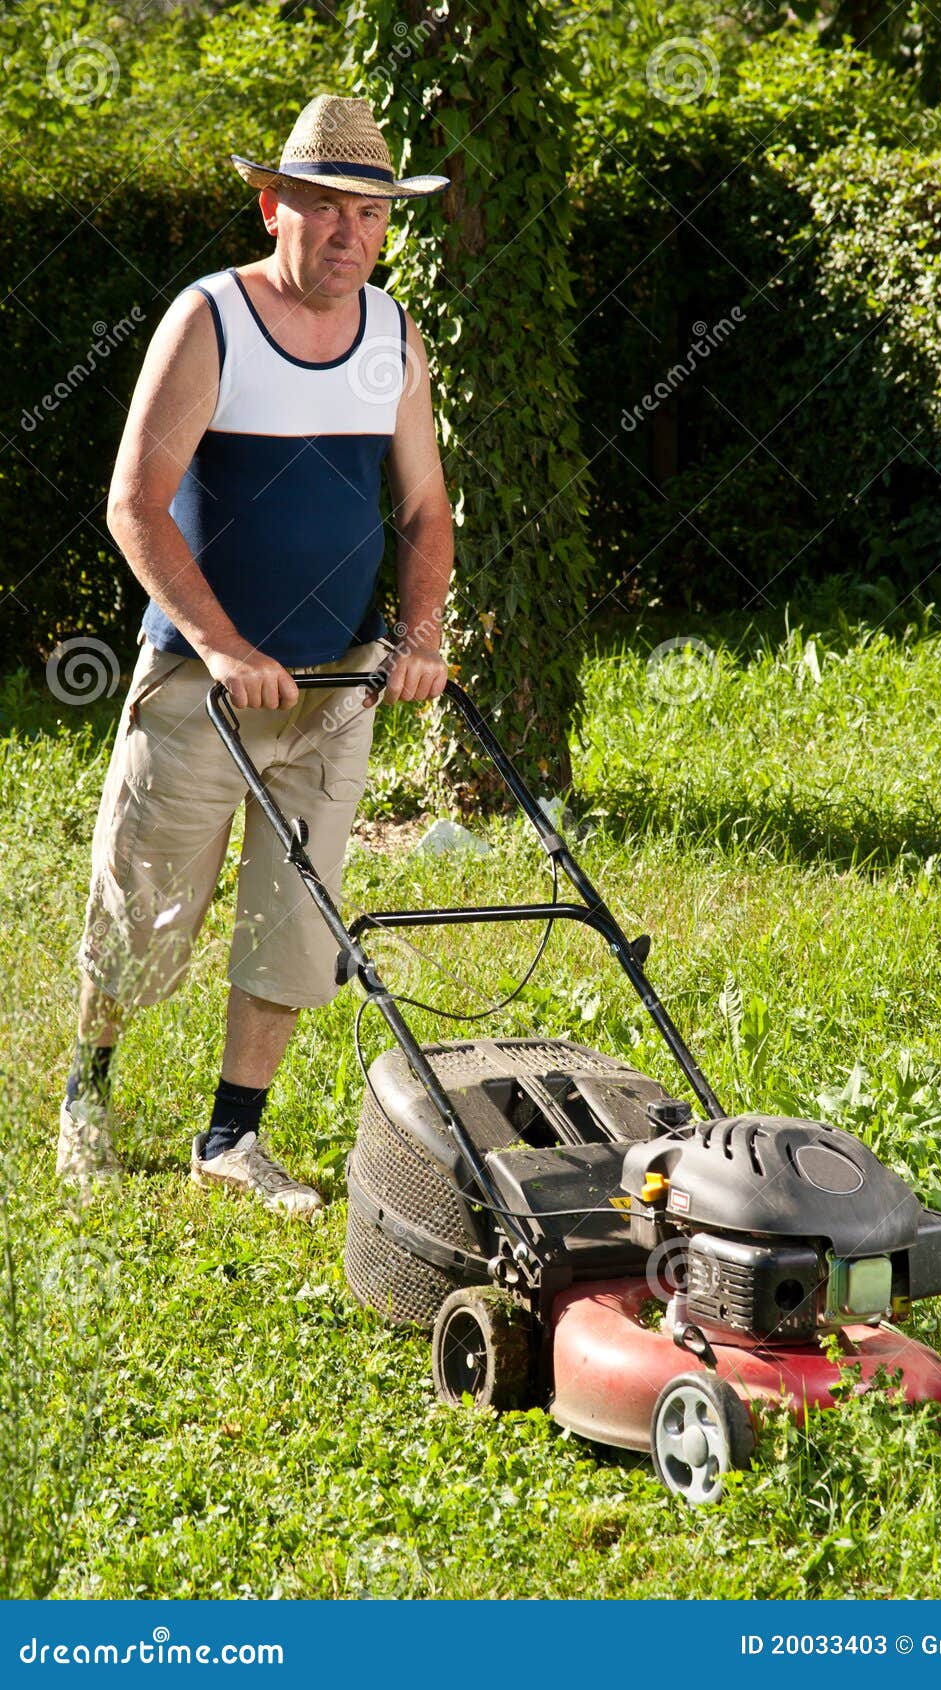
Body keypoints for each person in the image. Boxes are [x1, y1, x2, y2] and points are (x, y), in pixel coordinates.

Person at [58, 95, 453, 1216]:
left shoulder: (392, 337)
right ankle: (87, 1090)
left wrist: (415, 639)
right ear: (274, 206)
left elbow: (425, 511)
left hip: (333, 686)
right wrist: (223, 648)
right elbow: (135, 505)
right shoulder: (210, 320)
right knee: (144, 901)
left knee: (298, 921)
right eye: (325, 211)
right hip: (203, 681)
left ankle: (231, 1135)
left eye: (370, 218)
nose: (349, 237)